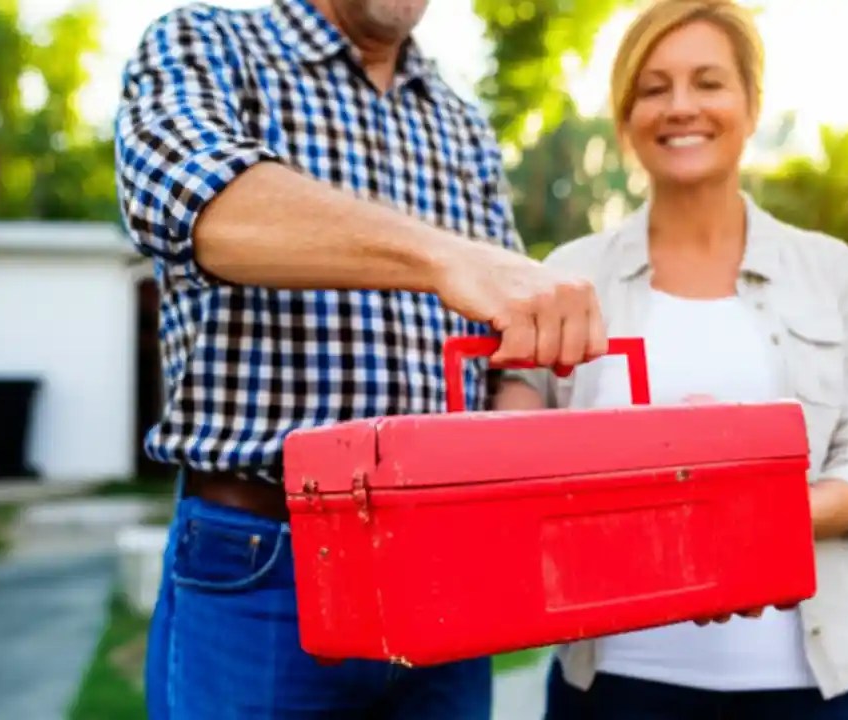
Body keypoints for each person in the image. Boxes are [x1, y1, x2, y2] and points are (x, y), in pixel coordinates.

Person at [113, 0, 606, 717]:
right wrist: (442, 257)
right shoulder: (209, 40)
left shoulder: (460, 121)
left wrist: (513, 476)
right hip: (265, 560)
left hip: (446, 564)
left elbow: (506, 362)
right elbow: (186, 197)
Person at [493, 1, 848, 718]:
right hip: (616, 685)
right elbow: (512, 455)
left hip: (810, 688)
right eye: (654, 88)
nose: (681, 106)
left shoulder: (831, 272)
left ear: (750, 103)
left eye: (708, 82)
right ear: (626, 118)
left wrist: (749, 516)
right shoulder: (568, 273)